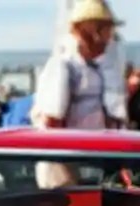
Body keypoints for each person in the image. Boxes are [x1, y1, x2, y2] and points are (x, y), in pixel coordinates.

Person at [31, 0, 127, 129]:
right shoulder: (63, 68)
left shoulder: (104, 68)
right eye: (107, 30)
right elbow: (52, 121)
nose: (110, 38)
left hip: (100, 141)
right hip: (73, 141)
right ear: (90, 32)